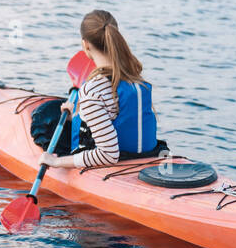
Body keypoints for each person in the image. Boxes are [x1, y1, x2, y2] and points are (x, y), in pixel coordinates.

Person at [38, 9, 160, 169]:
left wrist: (56, 162)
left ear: (85, 44)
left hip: (113, 161)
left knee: (42, 120)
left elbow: (108, 155)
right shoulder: (136, 79)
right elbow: (115, 116)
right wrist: (76, 117)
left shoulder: (92, 91)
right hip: (145, 156)